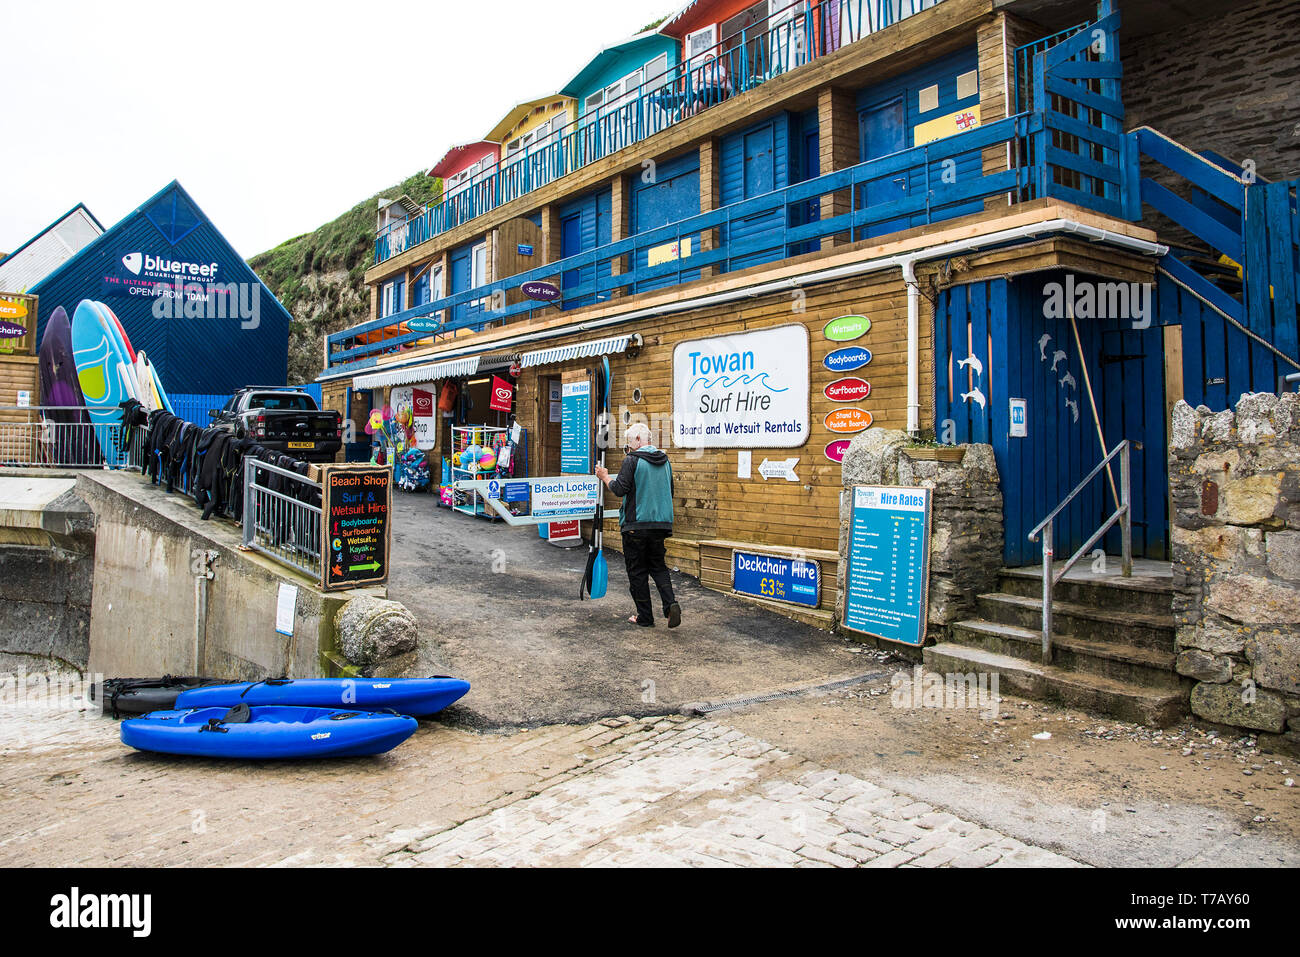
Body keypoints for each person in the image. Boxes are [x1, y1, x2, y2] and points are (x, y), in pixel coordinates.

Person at [595, 423, 682, 628]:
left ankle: (645, 617)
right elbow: (670, 491)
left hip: (636, 525)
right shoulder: (665, 461)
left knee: (637, 572)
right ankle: (670, 606)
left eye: (629, 444)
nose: (628, 448)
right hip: (660, 524)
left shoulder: (632, 460)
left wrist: (605, 476)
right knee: (658, 567)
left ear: (637, 440)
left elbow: (619, 489)